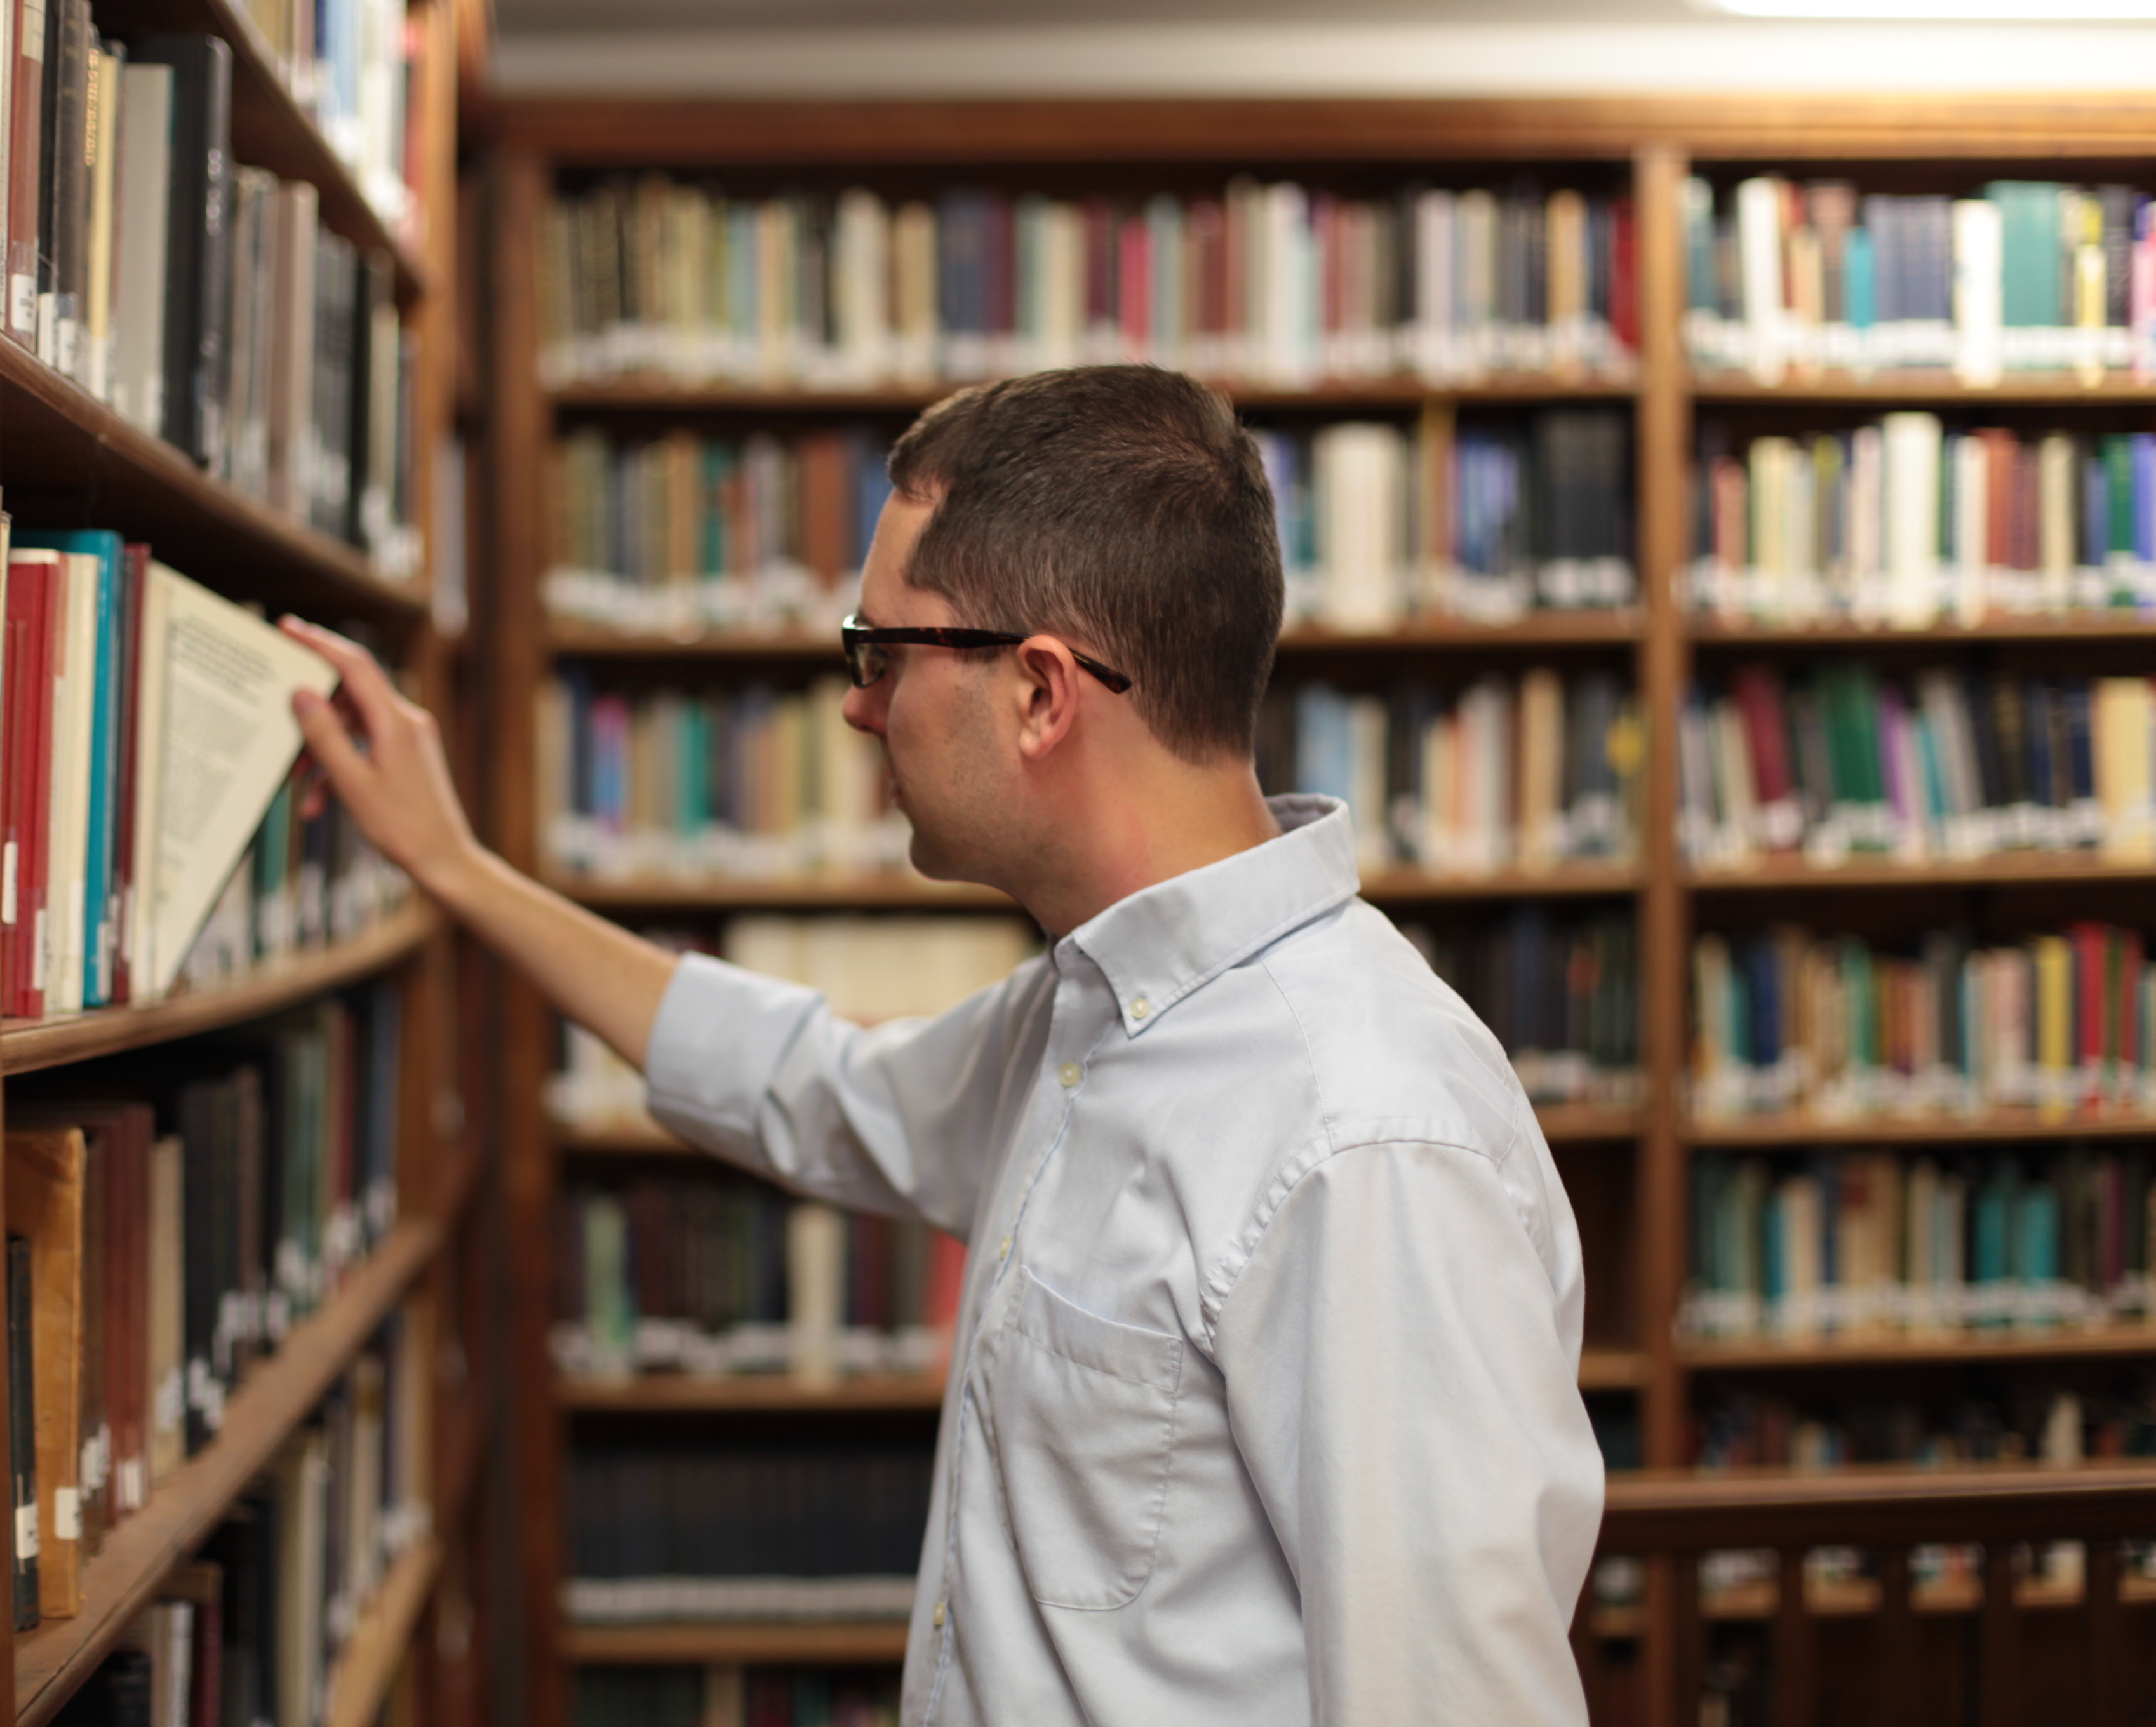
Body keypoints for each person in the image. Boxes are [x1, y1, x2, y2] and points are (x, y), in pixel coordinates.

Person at [284, 363, 1604, 1726]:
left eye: (883, 651)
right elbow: (817, 1087)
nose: (858, 705)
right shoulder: (1089, 1010)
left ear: (1040, 693)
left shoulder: (1363, 1136)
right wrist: (459, 870)